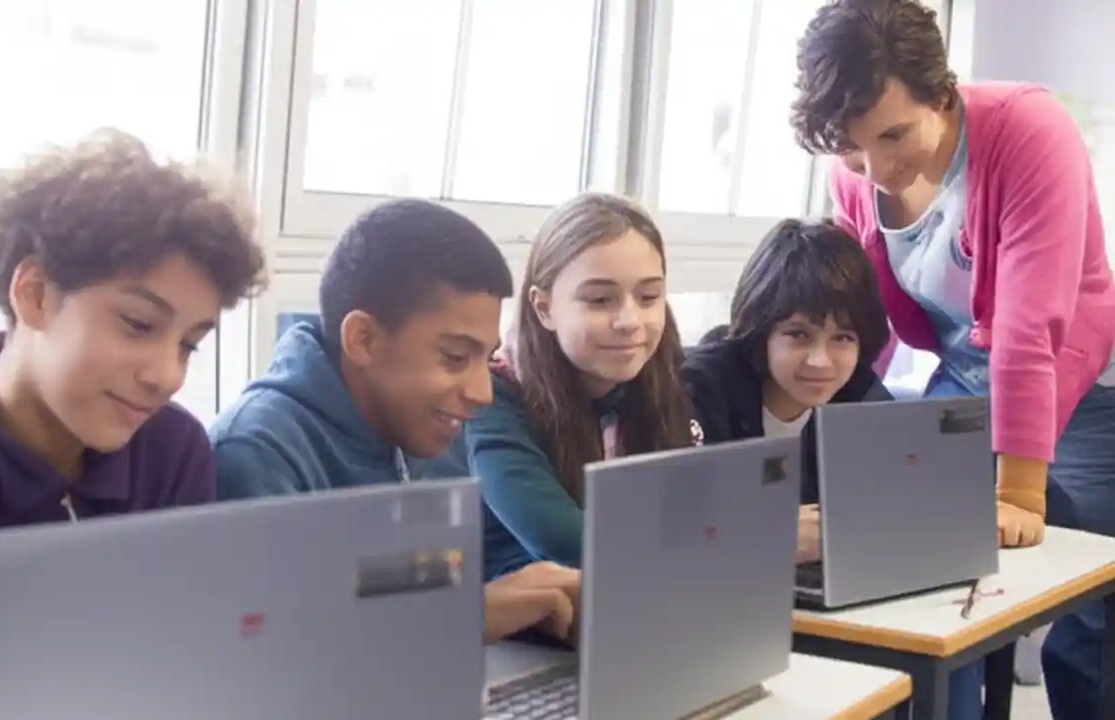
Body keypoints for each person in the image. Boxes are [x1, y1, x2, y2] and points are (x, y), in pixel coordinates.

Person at [0, 131, 267, 720]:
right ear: (34, 294)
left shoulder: (173, 450)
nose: (167, 375)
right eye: (139, 324)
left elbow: (183, 666)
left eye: (190, 344)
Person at [792, 2, 1115, 718]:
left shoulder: (1029, 130)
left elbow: (1032, 327)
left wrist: (1019, 493)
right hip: (970, 367)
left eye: (894, 136)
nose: (874, 170)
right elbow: (864, 318)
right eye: (852, 148)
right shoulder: (858, 171)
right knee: (934, 581)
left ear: (942, 94)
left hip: (1083, 367)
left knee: (1091, 603)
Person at [209, 198, 581, 645]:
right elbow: (274, 653)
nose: (482, 393)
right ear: (363, 340)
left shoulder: (435, 430)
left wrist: (540, 602)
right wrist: (469, 616)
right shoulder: (258, 451)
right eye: (455, 357)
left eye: (488, 357)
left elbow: (458, 574)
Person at [462, 193, 703, 580]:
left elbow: (695, 506)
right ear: (544, 308)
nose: (629, 320)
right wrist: (730, 538)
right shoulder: (496, 399)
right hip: (524, 632)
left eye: (648, 297)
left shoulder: (658, 377)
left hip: (637, 606)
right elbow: (563, 539)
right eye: (599, 300)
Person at [682, 219, 892, 562]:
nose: (821, 361)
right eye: (798, 334)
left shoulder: (859, 393)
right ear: (761, 329)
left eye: (842, 338)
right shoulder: (701, 388)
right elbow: (677, 526)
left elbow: (892, 501)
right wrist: (769, 531)